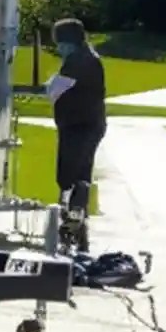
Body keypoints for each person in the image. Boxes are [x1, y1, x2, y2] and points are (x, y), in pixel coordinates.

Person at [45, 18, 107, 224]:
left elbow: (56, 89)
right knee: (81, 170)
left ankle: (72, 216)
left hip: (79, 125)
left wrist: (46, 87)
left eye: (60, 43)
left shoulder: (78, 61)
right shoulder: (87, 57)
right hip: (88, 123)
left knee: (70, 172)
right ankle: (77, 215)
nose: (58, 48)